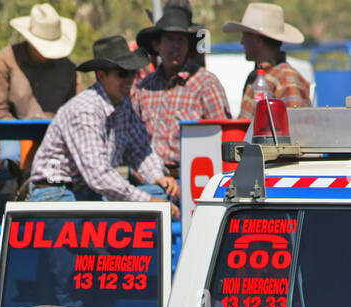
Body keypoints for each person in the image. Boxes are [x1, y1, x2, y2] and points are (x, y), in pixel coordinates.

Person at [29, 35, 177, 209]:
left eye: (133, 72)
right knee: (151, 202)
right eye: (122, 73)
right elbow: (98, 175)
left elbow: (140, 150)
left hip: (88, 190)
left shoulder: (123, 104)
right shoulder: (85, 110)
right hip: (55, 191)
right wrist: (147, 202)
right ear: (101, 75)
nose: (130, 79)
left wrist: (157, 177)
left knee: (160, 192)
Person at [131, 6, 230, 176]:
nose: (176, 46)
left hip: (192, 179)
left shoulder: (205, 84)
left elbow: (224, 138)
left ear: (188, 46)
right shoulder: (144, 87)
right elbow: (131, 136)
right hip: (151, 180)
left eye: (181, 40)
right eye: (170, 39)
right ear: (156, 45)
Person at [0, 4, 78, 120]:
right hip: (12, 133)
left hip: (55, 132)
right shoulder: (3, 62)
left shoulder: (68, 69)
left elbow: (73, 109)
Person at [223, 3, 311, 117]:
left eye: (245, 35)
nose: (242, 42)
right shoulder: (255, 77)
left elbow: (296, 128)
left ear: (257, 39)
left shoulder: (287, 78)